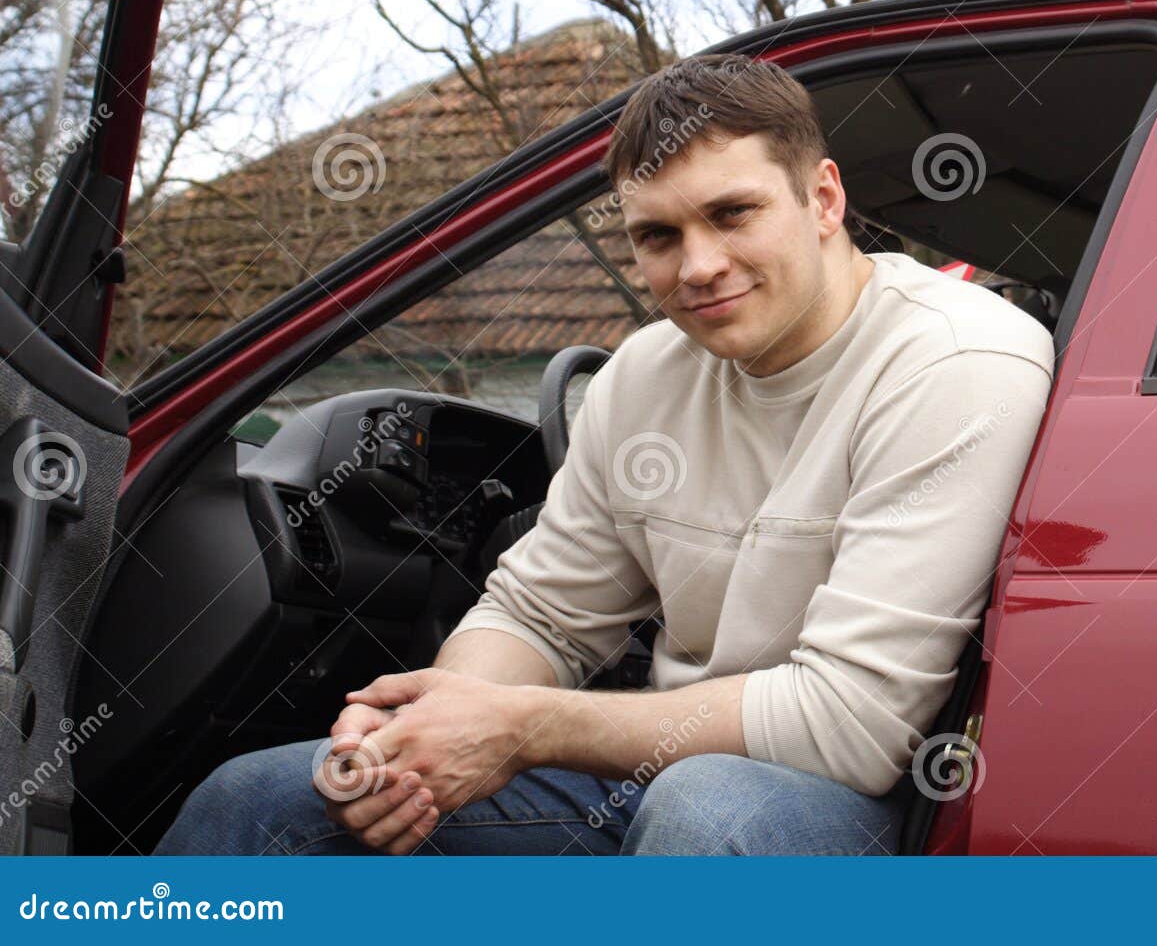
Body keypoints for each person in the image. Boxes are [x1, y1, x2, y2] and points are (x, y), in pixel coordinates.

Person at [155, 53, 1054, 856]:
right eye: (658, 235)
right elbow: (542, 612)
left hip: (874, 809)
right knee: (268, 798)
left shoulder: (955, 360)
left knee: (714, 816)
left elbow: (850, 725)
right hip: (651, 784)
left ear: (823, 199)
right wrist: (432, 733)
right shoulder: (646, 373)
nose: (698, 265)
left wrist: (525, 726)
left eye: (732, 213)